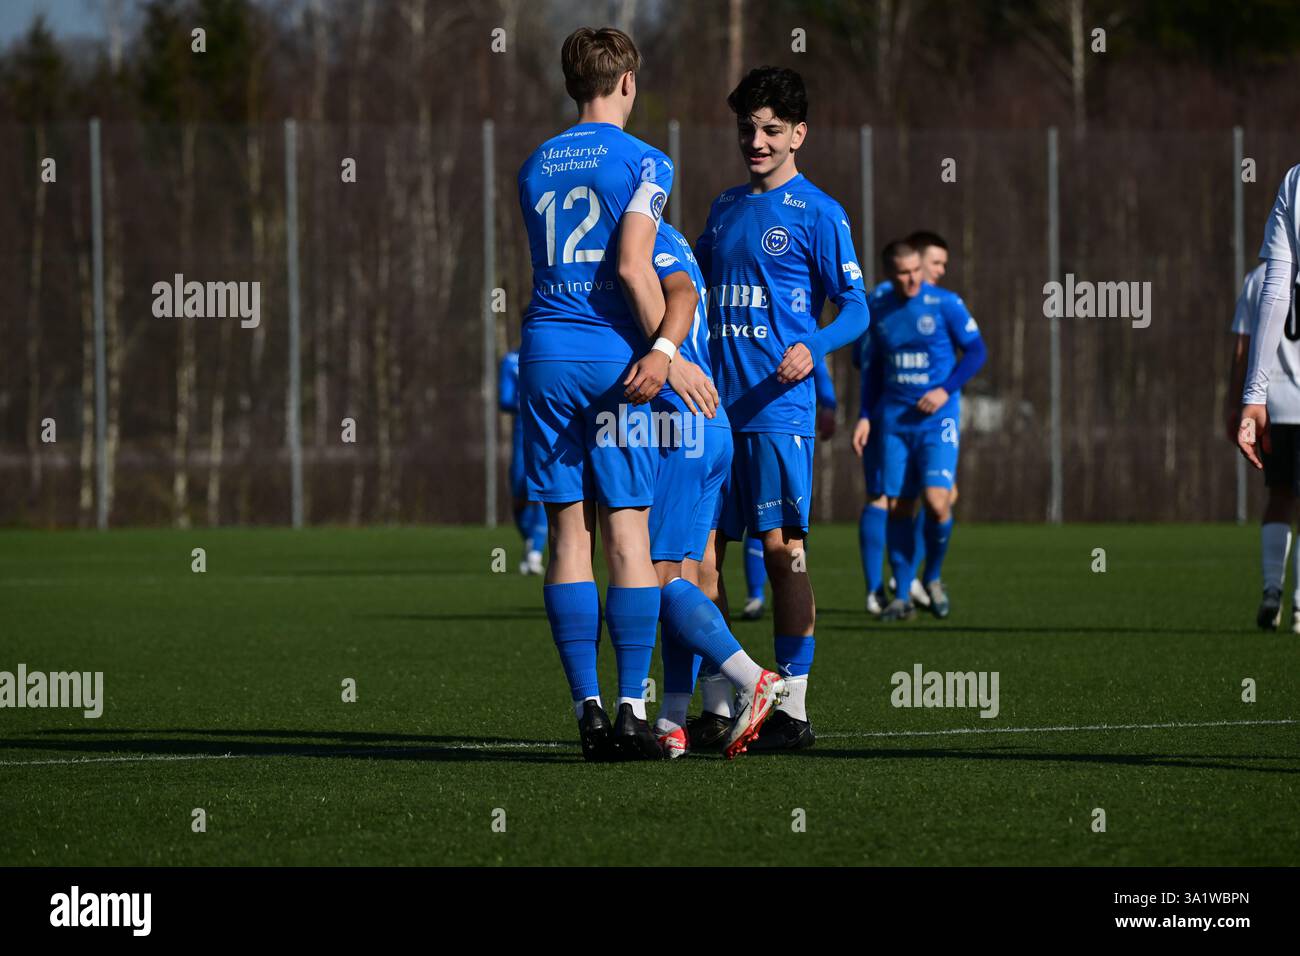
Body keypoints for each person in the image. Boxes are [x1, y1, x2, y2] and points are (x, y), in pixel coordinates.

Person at [517, 26, 689, 760]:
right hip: (614, 361)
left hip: (545, 354)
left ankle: (584, 708)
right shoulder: (647, 160)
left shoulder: (533, 165)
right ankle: (630, 709)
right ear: (628, 82)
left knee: (566, 532)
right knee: (627, 529)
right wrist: (666, 352)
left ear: (569, 84)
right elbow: (629, 265)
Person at [692, 66, 870, 751]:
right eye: (747, 129)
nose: (756, 141)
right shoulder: (725, 207)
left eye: (770, 130)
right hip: (712, 408)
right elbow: (692, 285)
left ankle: (791, 708)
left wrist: (813, 347)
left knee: (782, 552)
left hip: (777, 412)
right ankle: (716, 701)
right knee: (699, 558)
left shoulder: (820, 213)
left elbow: (855, 307)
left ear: (799, 134)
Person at [647, 222, 786, 759]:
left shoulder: (637, 244)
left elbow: (664, 307)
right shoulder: (675, 237)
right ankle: (673, 719)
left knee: (657, 580)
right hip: (710, 424)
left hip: (676, 422)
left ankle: (753, 678)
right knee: (684, 575)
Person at [852, 240, 986, 621]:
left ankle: (933, 576)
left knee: (937, 500)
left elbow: (977, 351)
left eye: (916, 270)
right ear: (890, 273)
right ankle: (901, 592)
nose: (912, 278)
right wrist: (865, 415)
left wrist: (945, 389)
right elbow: (873, 369)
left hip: (937, 420)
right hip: (894, 421)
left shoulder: (945, 303)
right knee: (898, 504)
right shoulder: (878, 307)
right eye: (903, 272)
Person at [739, 357, 836, 620]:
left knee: (784, 531)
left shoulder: (799, 328)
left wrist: (829, 403)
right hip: (728, 416)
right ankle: (755, 595)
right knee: (752, 525)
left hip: (782, 424)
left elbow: (818, 358)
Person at [498, 348, 547, 575]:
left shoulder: (553, 353)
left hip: (550, 428)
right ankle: (532, 539)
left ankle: (536, 552)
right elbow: (504, 399)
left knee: (543, 489)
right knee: (519, 490)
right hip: (522, 429)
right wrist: (523, 400)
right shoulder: (511, 360)